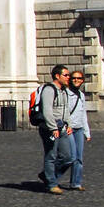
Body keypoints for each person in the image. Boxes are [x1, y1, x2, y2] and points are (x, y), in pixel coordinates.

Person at [36, 64, 73, 195]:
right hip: (49, 128)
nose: (69, 77)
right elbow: (47, 111)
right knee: (51, 155)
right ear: (57, 76)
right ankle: (51, 183)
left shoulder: (63, 90)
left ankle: (47, 174)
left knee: (68, 157)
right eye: (66, 75)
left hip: (62, 127)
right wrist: (52, 128)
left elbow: (65, 109)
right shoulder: (49, 90)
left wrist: (69, 124)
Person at [67, 70, 91, 191]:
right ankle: (51, 176)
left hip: (79, 129)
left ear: (82, 80)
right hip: (69, 129)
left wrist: (87, 132)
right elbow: (64, 112)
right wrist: (67, 126)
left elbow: (83, 114)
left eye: (79, 78)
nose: (76, 80)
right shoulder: (66, 93)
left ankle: (76, 183)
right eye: (74, 78)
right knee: (70, 157)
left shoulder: (81, 95)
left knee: (79, 158)